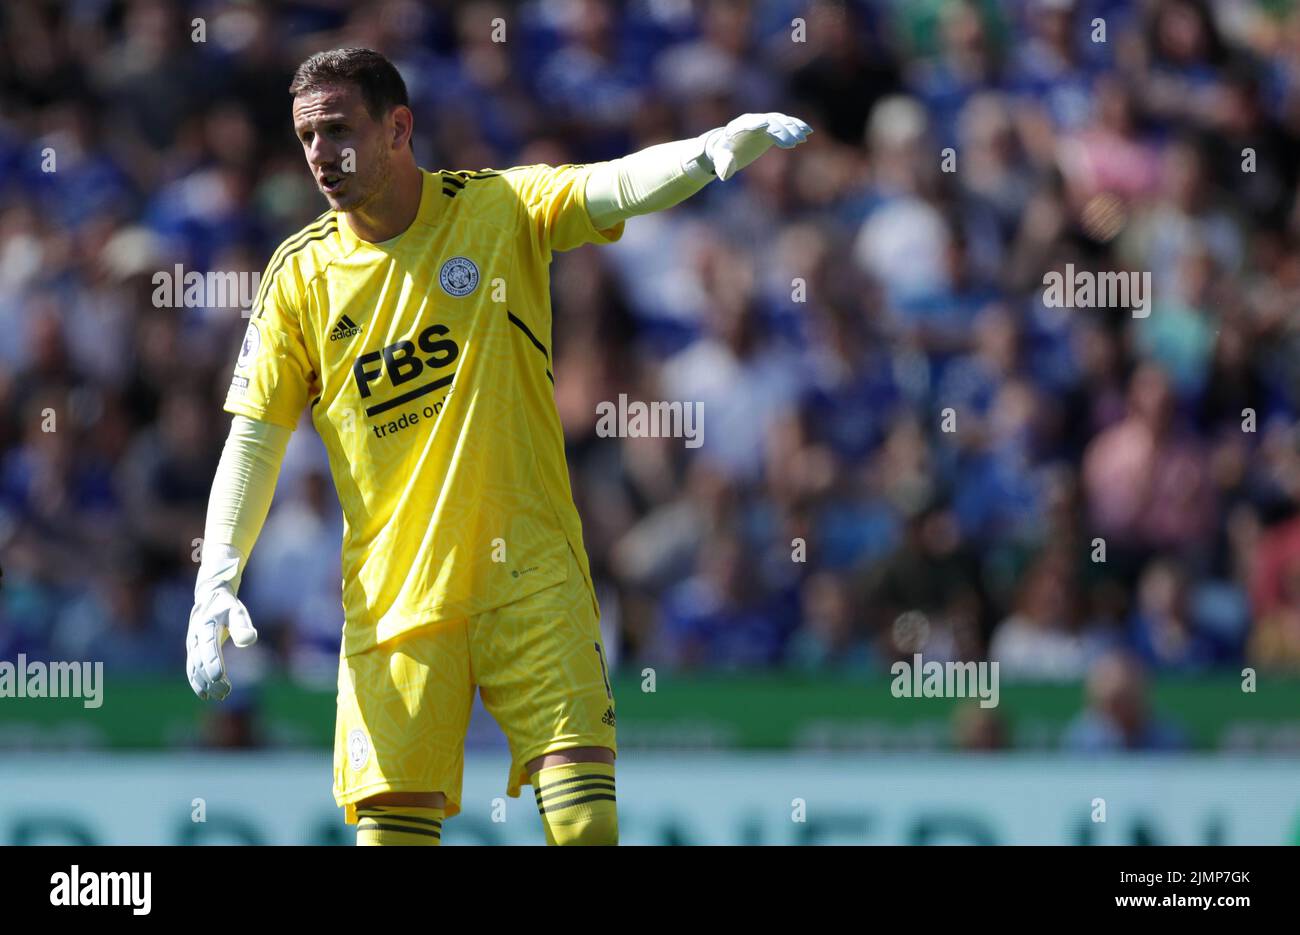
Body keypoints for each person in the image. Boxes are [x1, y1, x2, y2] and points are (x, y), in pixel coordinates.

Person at [182, 47, 810, 846]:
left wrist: (704, 152)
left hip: (531, 578)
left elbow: (609, 181)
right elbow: (254, 436)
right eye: (305, 136)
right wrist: (217, 578)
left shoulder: (497, 209)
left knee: (585, 823)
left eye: (338, 129)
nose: (318, 154)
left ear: (398, 127)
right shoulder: (299, 277)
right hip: (396, 601)